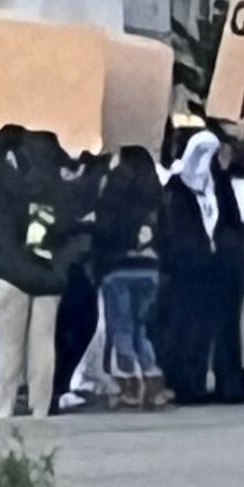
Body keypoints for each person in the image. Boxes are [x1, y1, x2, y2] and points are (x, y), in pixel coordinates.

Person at [0, 127, 97, 418]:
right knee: (44, 343)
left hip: (10, 269)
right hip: (49, 272)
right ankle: (40, 407)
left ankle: (4, 406)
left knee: (9, 347)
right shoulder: (64, 191)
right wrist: (91, 158)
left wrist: (9, 132)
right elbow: (90, 186)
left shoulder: (8, 182)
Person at [157, 130, 244, 404]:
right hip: (188, 272)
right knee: (189, 328)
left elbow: (232, 225)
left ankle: (229, 383)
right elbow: (171, 231)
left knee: (226, 329)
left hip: (222, 271)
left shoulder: (221, 187)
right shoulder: (174, 190)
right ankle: (187, 384)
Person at [91, 147, 163, 409]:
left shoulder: (114, 191)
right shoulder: (155, 193)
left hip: (118, 267)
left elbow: (103, 230)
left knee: (121, 327)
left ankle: (129, 384)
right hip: (150, 268)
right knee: (141, 328)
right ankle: (153, 380)